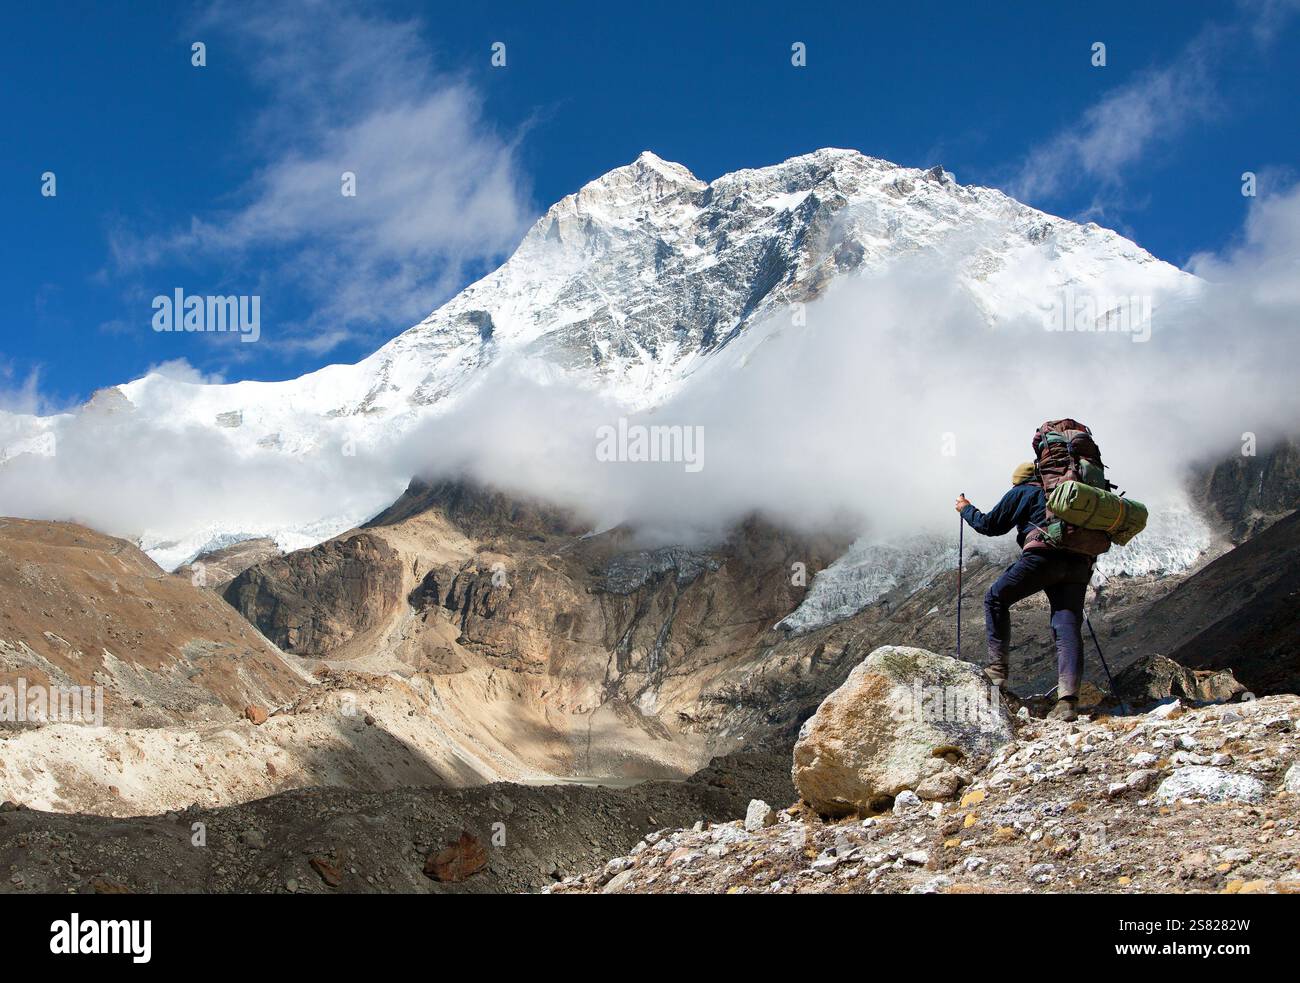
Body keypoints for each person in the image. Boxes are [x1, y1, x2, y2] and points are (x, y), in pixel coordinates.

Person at [955, 462, 1094, 721]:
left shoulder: (1023, 491)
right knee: (1067, 623)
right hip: (1079, 562)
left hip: (1043, 558)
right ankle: (1067, 703)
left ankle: (997, 672)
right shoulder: (1070, 493)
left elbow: (990, 525)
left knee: (996, 598)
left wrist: (966, 509)